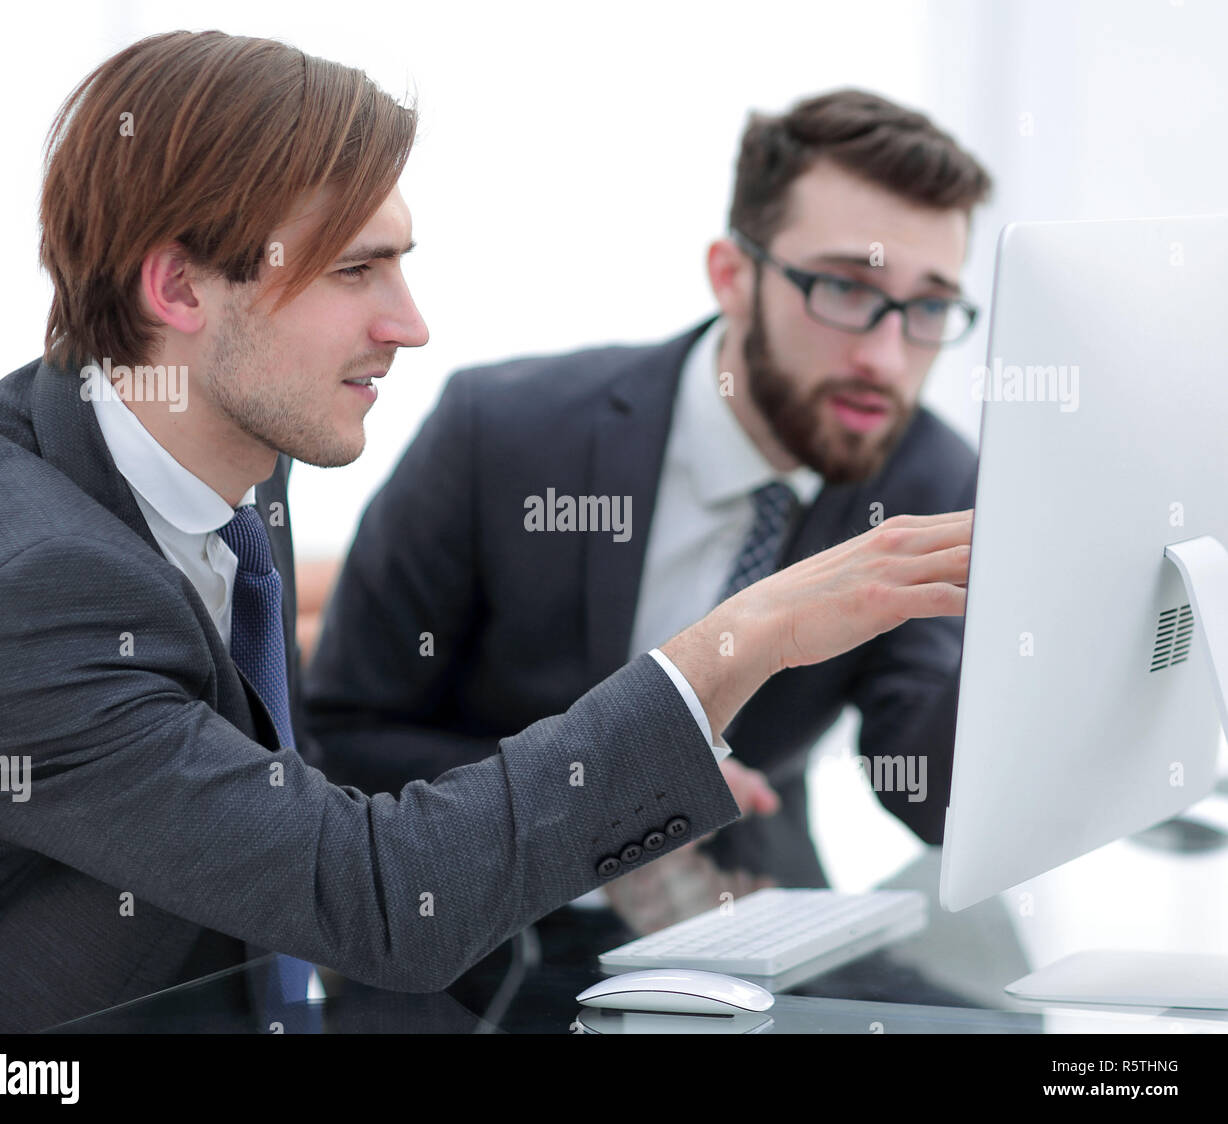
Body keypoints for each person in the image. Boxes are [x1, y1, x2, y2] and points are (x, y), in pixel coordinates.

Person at [0, 33, 970, 1033]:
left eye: (401, 262)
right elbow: (379, 896)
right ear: (180, 287)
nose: (409, 322)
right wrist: (735, 643)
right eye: (353, 270)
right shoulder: (34, 586)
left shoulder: (225, 432)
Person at [303, 88, 991, 918]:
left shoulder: (928, 479)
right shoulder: (503, 434)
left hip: (741, 909)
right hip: (481, 939)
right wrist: (612, 805)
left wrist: (1045, 632)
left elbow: (927, 795)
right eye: (845, 290)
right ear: (732, 277)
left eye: (927, 308)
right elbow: (342, 741)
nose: (887, 358)